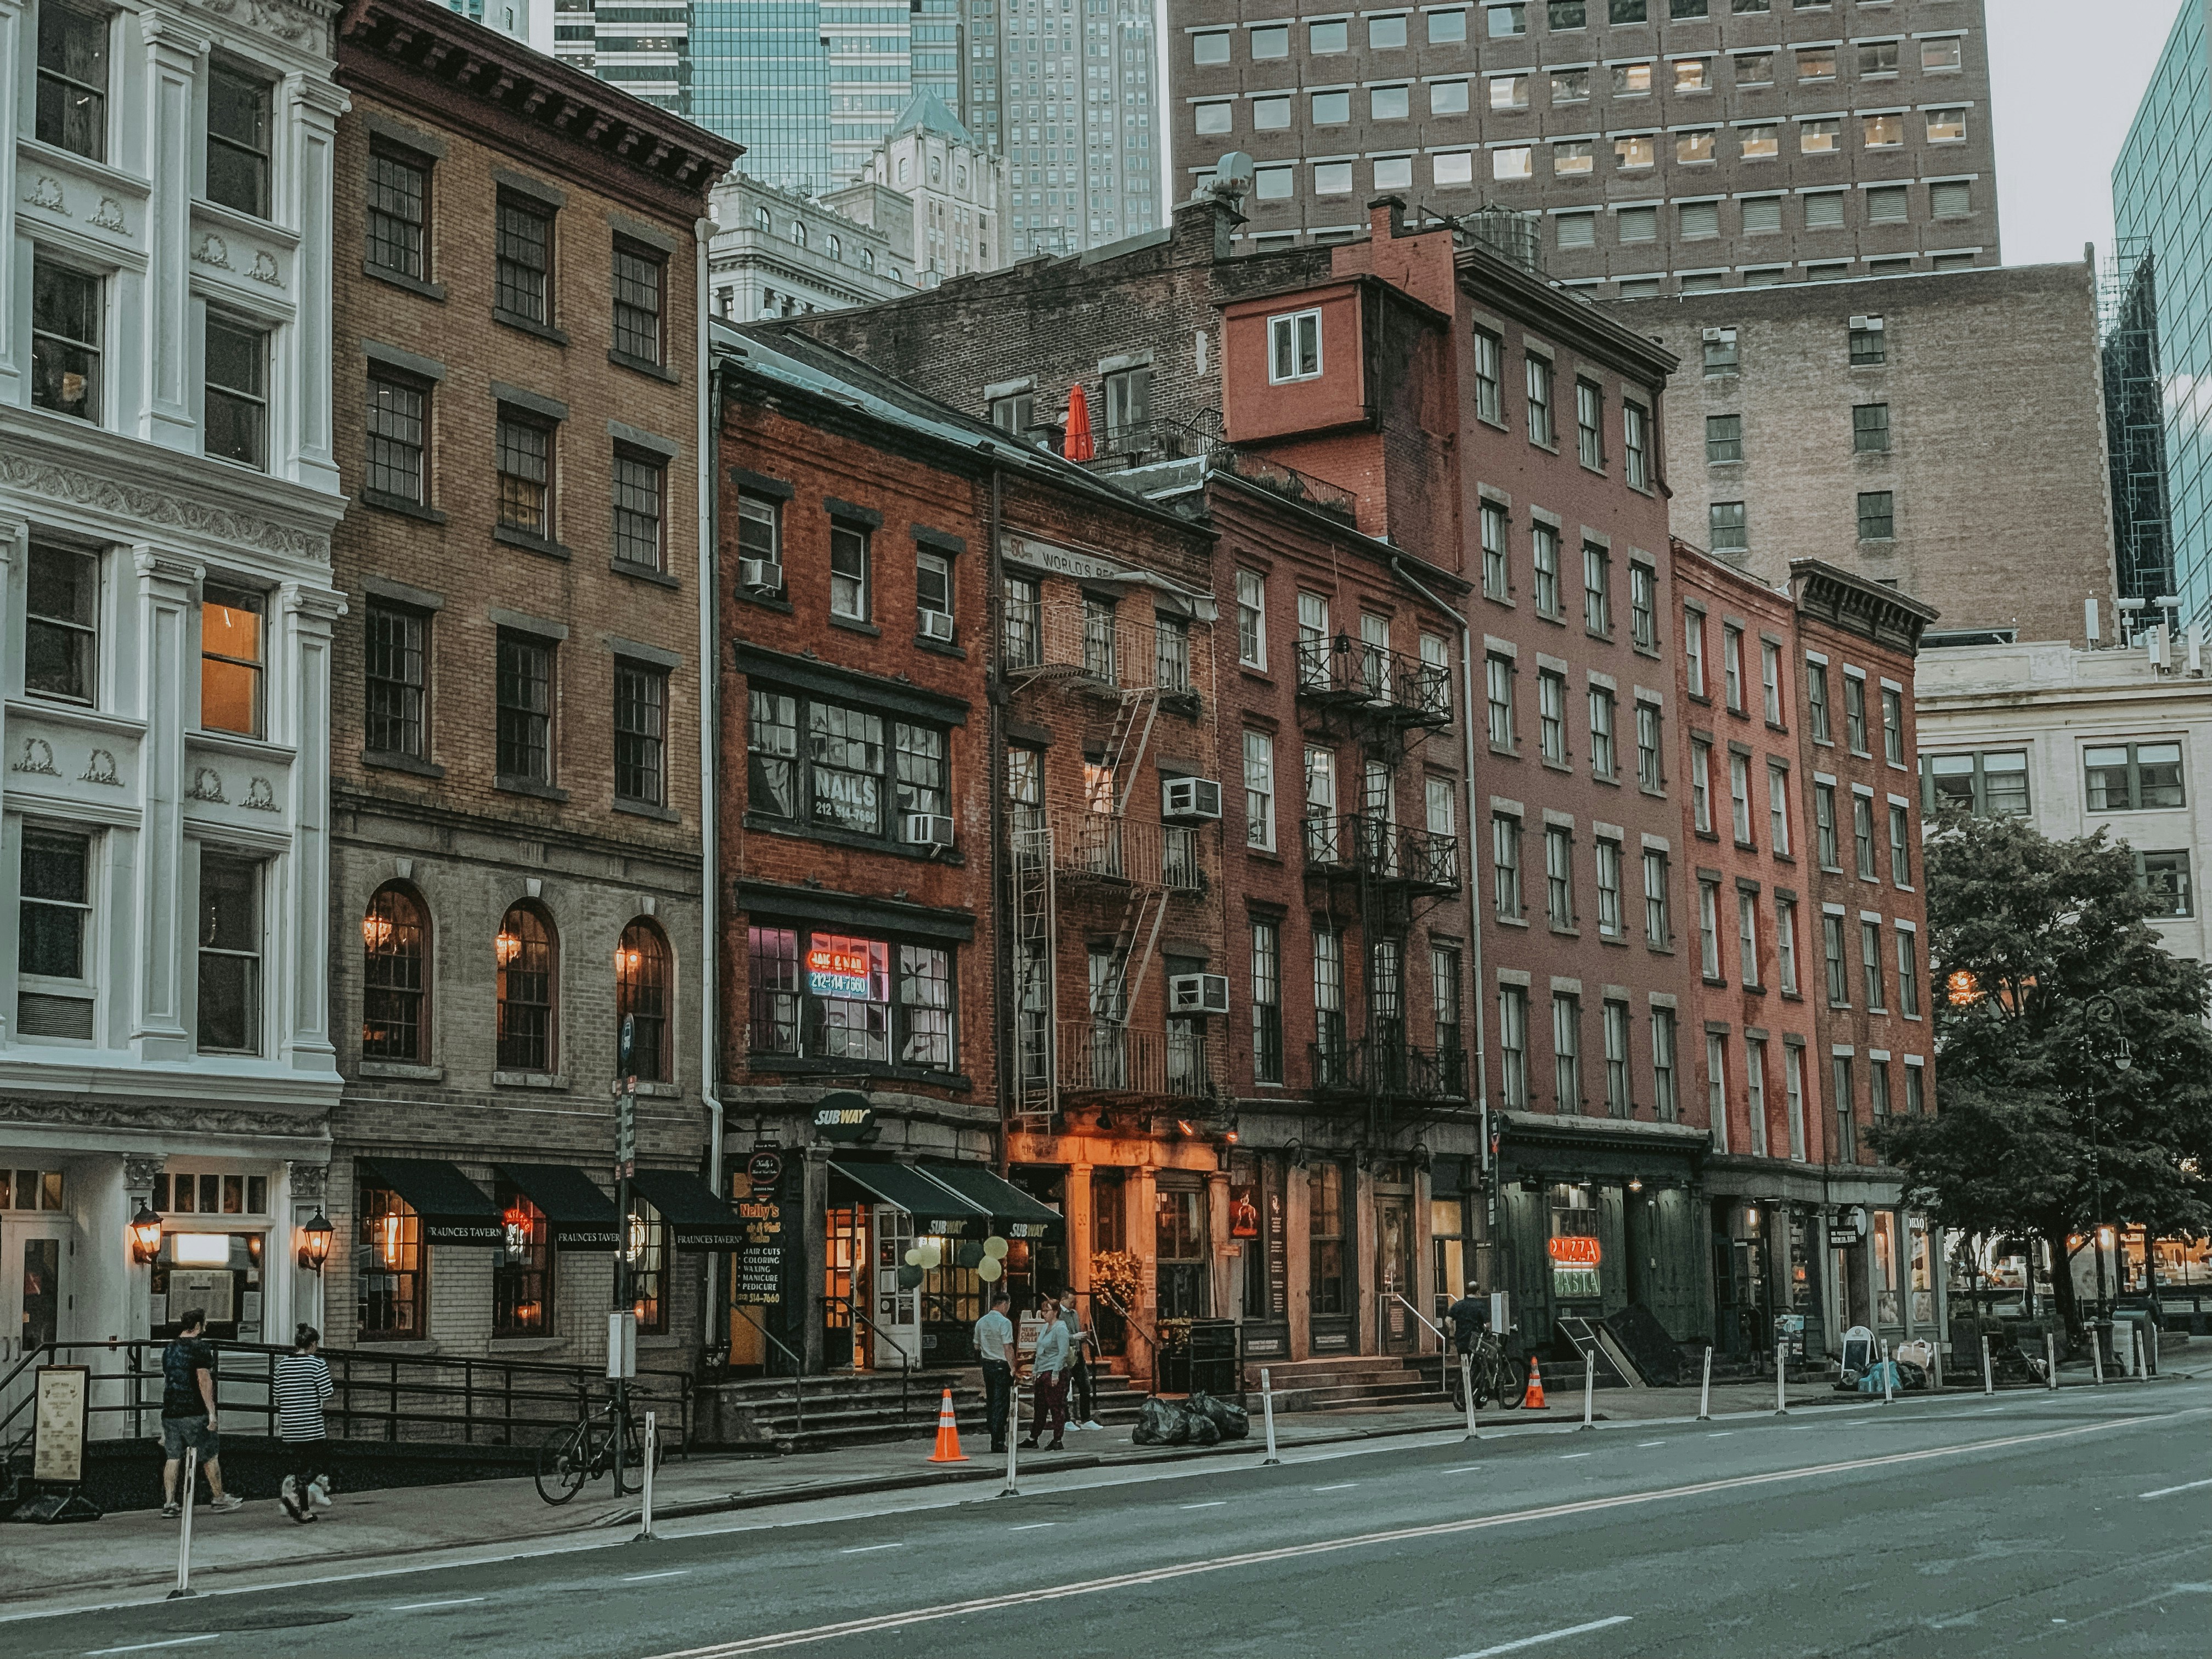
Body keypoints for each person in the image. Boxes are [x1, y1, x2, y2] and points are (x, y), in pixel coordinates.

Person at [160, 1308, 241, 1516]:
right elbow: (204, 1381)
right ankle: (219, 1497)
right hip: (194, 1411)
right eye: (204, 1323)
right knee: (209, 1455)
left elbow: (169, 1378)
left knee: (173, 1457)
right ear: (198, 1325)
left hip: (171, 1410)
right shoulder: (200, 1348)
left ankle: (170, 1503)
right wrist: (212, 1413)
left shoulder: (170, 1349)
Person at [274, 1324, 335, 1522]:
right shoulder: (317, 1364)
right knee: (317, 1465)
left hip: (290, 1426)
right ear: (313, 1344)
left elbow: (277, 1396)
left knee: (300, 1464)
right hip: (311, 1425)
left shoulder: (282, 1365)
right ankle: (294, 1495)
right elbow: (327, 1393)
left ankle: (304, 1511)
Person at [1021, 1294, 1070, 1452]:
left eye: (1047, 1311)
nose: (1044, 1314)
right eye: (1043, 1311)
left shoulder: (1060, 1328)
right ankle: (1034, 1437)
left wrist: (1056, 1373)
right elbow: (1040, 1351)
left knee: (1056, 1406)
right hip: (1043, 1370)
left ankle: (1057, 1439)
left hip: (1054, 1371)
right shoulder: (1045, 1328)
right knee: (1040, 1406)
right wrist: (1036, 1370)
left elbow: (1063, 1353)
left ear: (1055, 1312)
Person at [973, 1290, 1017, 1453]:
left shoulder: (981, 1322)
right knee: (1001, 1403)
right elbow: (1008, 1347)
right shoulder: (1005, 1323)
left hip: (987, 1365)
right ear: (1004, 1304)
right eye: (1009, 1305)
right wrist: (1013, 1367)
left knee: (991, 1400)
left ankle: (992, 1428)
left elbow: (977, 1345)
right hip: (1001, 1364)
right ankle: (998, 1441)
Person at [1057, 1288, 1102, 1430]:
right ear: (1063, 1299)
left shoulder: (1075, 1314)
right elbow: (1057, 1335)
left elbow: (1075, 1330)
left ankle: (1086, 1418)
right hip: (1065, 1355)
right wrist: (1073, 1337)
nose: (1073, 1304)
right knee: (1064, 1389)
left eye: (1074, 1301)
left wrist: (1081, 1338)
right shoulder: (1058, 1314)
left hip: (1077, 1354)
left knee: (1085, 1386)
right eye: (1071, 1301)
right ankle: (1065, 1420)